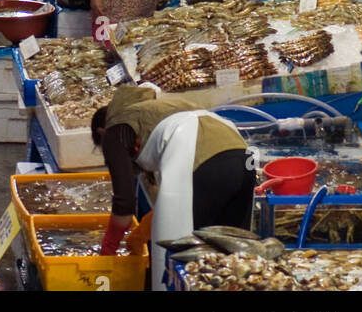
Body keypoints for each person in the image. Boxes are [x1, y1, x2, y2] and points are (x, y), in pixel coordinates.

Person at [91, 86, 256, 291]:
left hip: (203, 162)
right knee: (233, 262)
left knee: (179, 260)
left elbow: (124, 205)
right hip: (244, 156)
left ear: (101, 132)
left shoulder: (114, 130)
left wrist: (109, 248)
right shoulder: (159, 111)